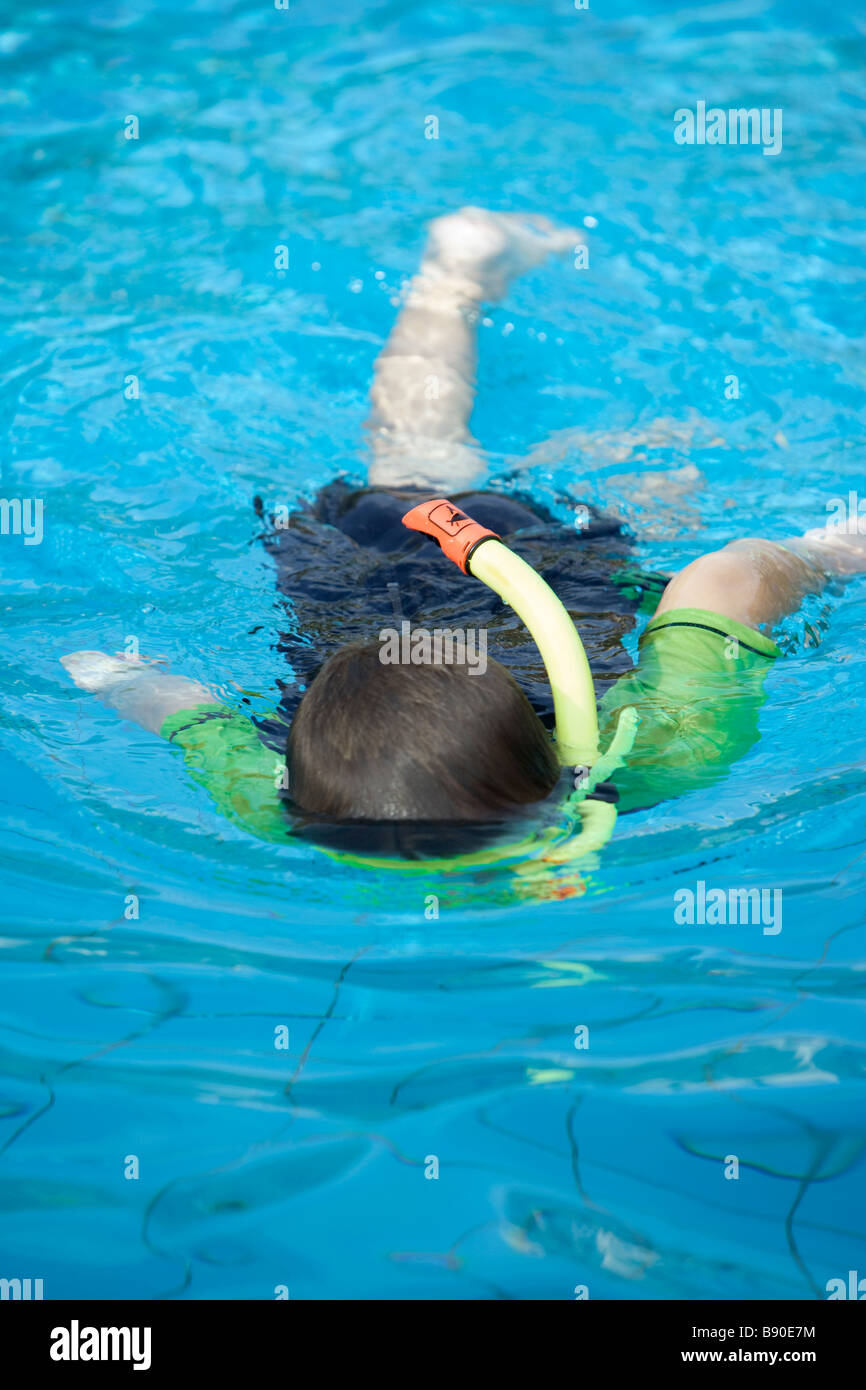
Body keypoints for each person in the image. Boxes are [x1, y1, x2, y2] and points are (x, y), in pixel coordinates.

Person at [61, 208, 866, 868]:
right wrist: (121, 678)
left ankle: (469, 284)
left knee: (638, 514)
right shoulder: (272, 798)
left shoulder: (671, 747)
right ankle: (459, 272)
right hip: (364, 566)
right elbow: (193, 716)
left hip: (511, 568)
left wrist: (831, 554)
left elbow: (720, 583)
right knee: (417, 454)